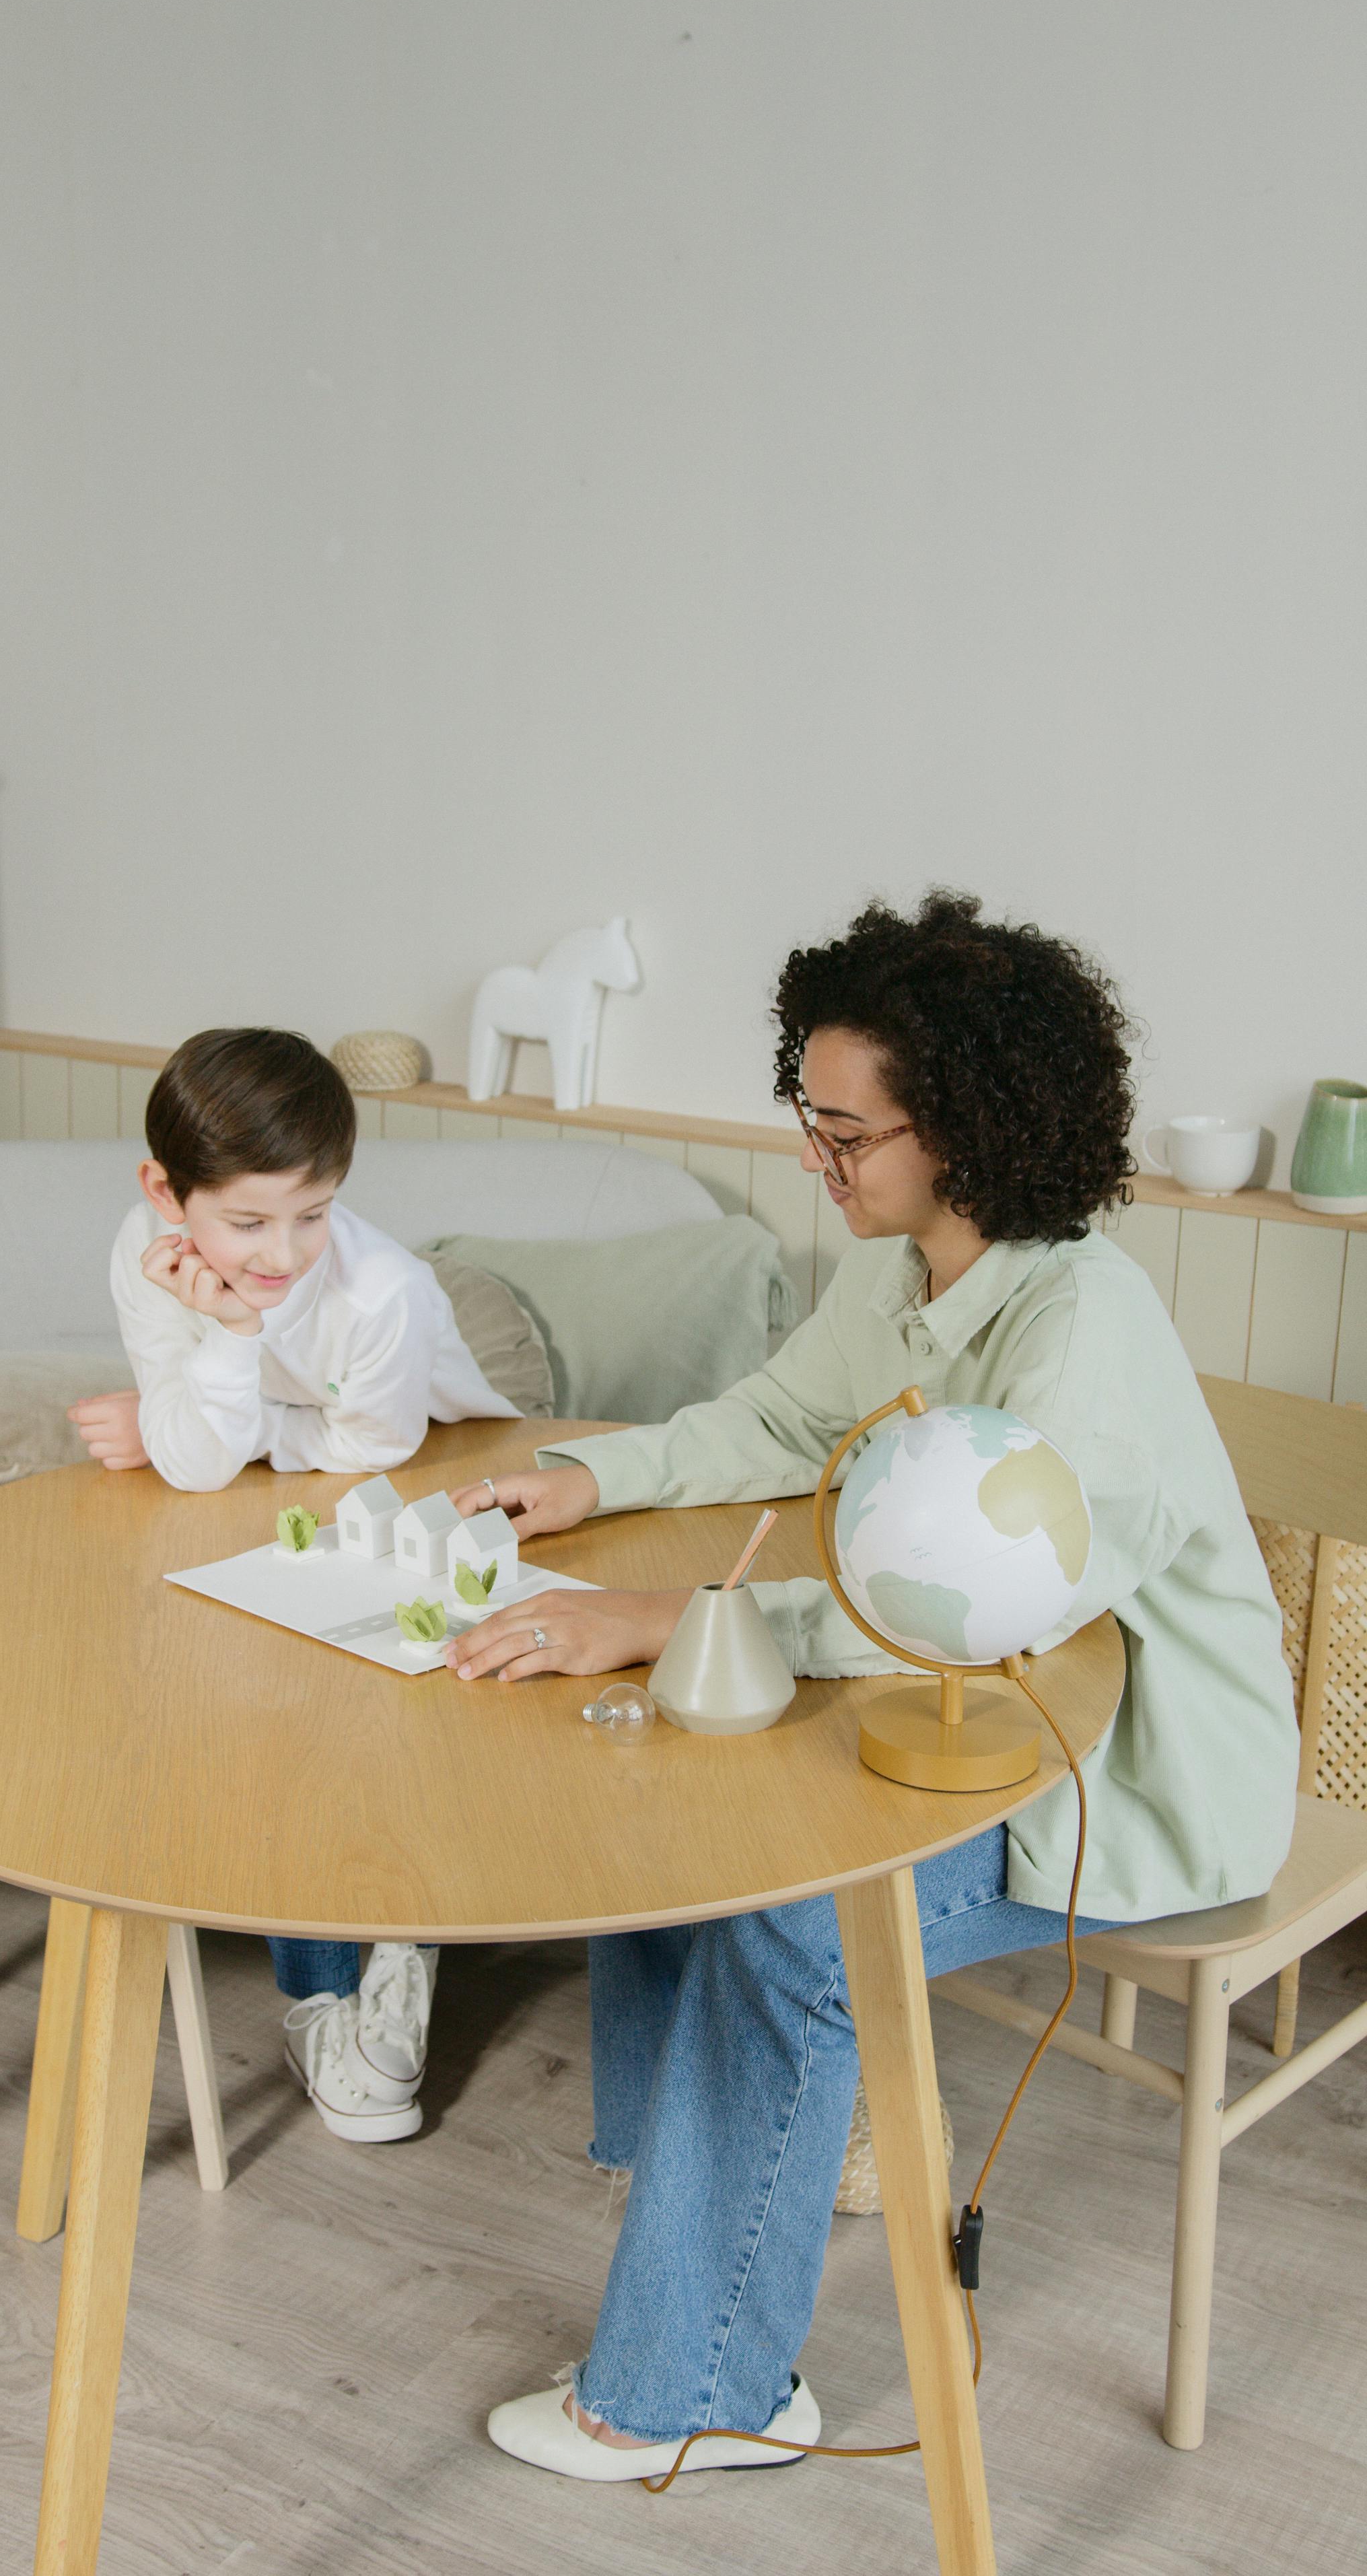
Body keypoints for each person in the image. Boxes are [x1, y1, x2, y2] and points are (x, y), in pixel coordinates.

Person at [437, 891, 1298, 2483]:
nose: (817, 1162)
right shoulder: (904, 1270)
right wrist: (592, 1476)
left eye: (845, 1134)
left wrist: (679, 1616)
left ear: (961, 1129)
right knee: (668, 1797)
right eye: (810, 1120)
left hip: (1125, 1779)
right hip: (973, 1715)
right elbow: (776, 1422)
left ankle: (698, 2391)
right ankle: (697, 2181)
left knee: (795, 1920)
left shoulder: (1081, 1325)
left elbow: (989, 1618)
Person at [70, 1025, 520, 2146]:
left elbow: (376, 1443)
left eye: (313, 1214)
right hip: (288, 1476)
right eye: (247, 1223)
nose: (282, 1254)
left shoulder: (384, 1292)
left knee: (367, 1687)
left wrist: (200, 1421)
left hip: (432, 1468)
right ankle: (324, 1988)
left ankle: (404, 1927)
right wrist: (229, 1335)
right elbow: (194, 1465)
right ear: (165, 1195)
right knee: (237, 1676)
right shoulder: (147, 1247)